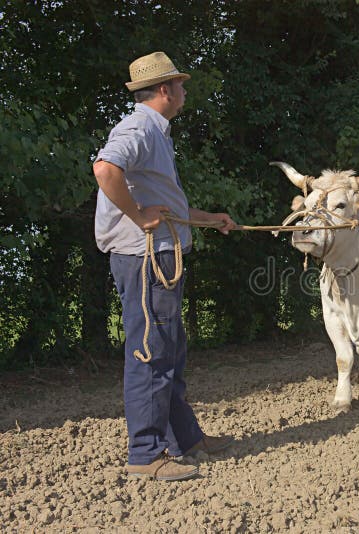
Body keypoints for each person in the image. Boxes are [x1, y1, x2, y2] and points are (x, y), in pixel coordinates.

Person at [93, 51, 237, 481]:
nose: (184, 91)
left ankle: (185, 439)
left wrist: (211, 219)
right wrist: (138, 217)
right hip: (145, 256)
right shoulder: (138, 128)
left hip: (156, 252)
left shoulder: (156, 132)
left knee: (169, 348)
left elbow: (167, 206)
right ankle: (145, 455)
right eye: (180, 85)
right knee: (150, 351)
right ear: (164, 90)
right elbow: (105, 169)